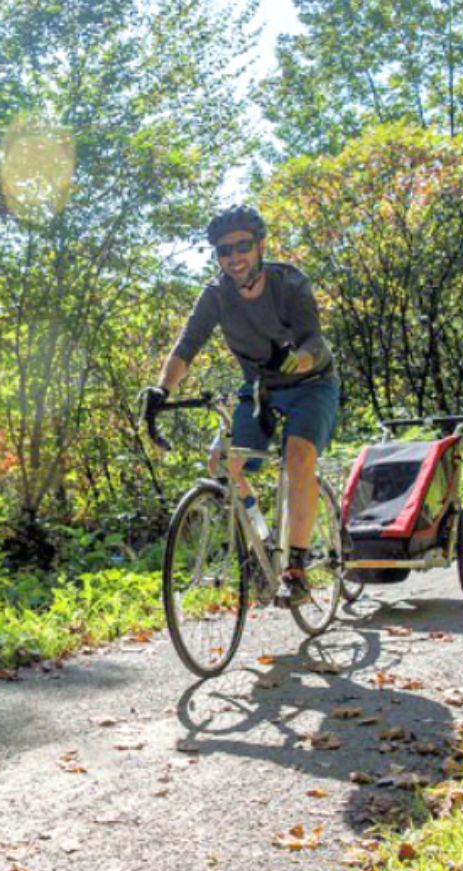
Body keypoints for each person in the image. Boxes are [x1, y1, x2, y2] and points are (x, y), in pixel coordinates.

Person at [142, 206, 337, 606]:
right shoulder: (216, 295)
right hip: (261, 388)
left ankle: (297, 569)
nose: (234, 257)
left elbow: (314, 341)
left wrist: (297, 361)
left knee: (298, 456)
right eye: (223, 251)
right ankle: (260, 542)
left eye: (242, 246)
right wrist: (162, 390)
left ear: (260, 245)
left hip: (311, 383)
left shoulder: (289, 283)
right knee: (222, 463)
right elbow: (187, 345)